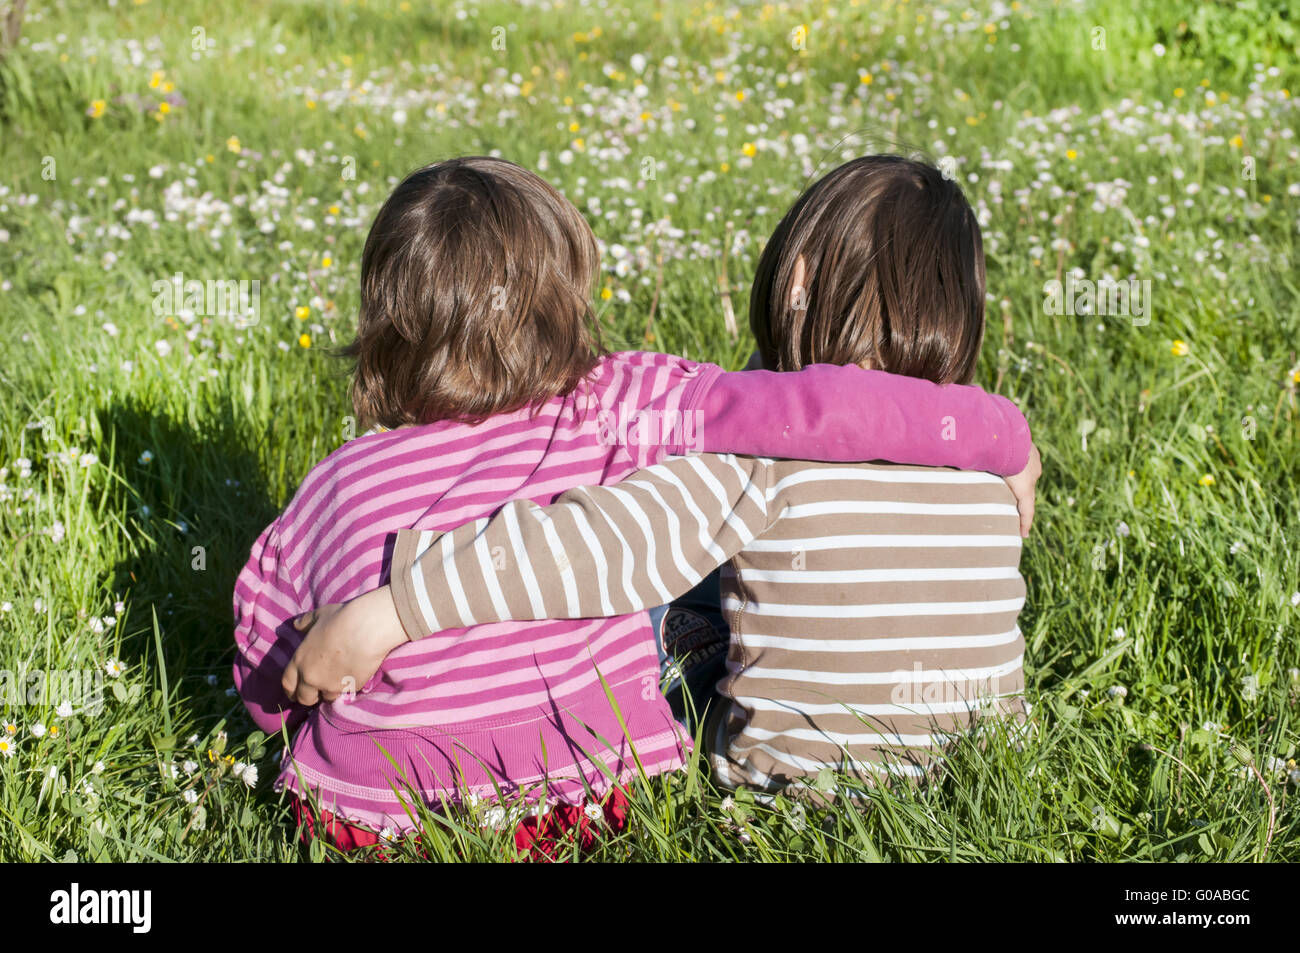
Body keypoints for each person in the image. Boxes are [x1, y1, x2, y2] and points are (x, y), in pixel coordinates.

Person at [245, 155, 1037, 851]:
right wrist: (1011, 436)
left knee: (647, 577)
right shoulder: (985, 467)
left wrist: (371, 625)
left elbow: (582, 549)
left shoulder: (334, 478)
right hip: (964, 768)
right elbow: (837, 414)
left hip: (379, 810)